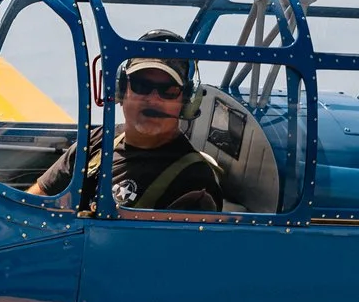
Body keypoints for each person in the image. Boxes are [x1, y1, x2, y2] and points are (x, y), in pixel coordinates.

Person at [32, 33, 224, 212]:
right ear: (121, 90)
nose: (153, 100)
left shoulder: (195, 182)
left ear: (185, 103)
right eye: (142, 86)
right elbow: (36, 199)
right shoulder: (97, 141)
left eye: (168, 90)